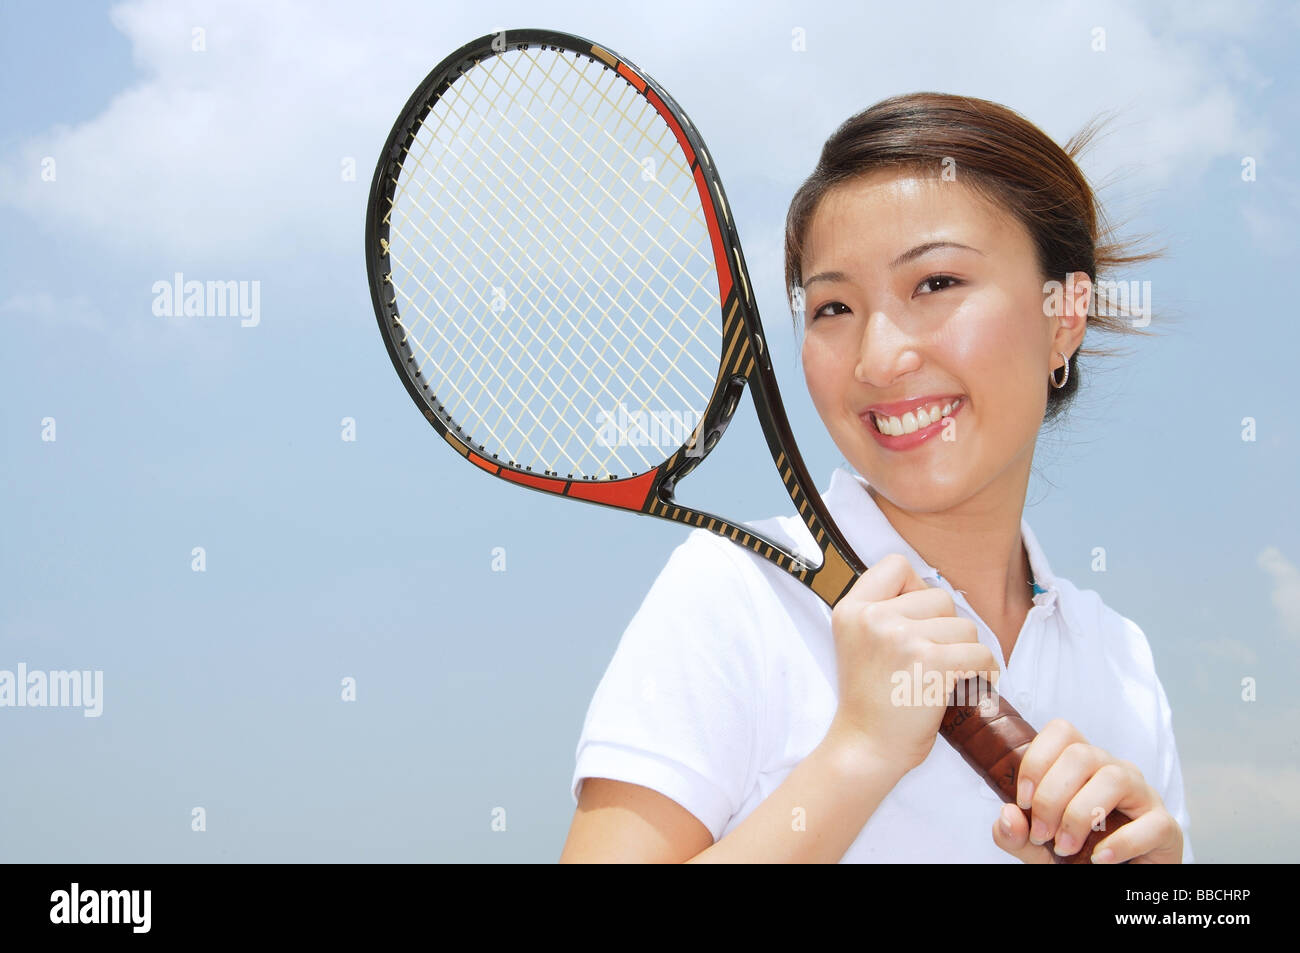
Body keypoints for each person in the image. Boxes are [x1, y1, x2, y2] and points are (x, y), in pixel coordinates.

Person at [559, 92, 1191, 864]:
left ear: (1064, 314)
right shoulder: (734, 594)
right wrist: (858, 750)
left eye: (935, 284)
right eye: (832, 307)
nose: (877, 358)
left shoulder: (1120, 659)